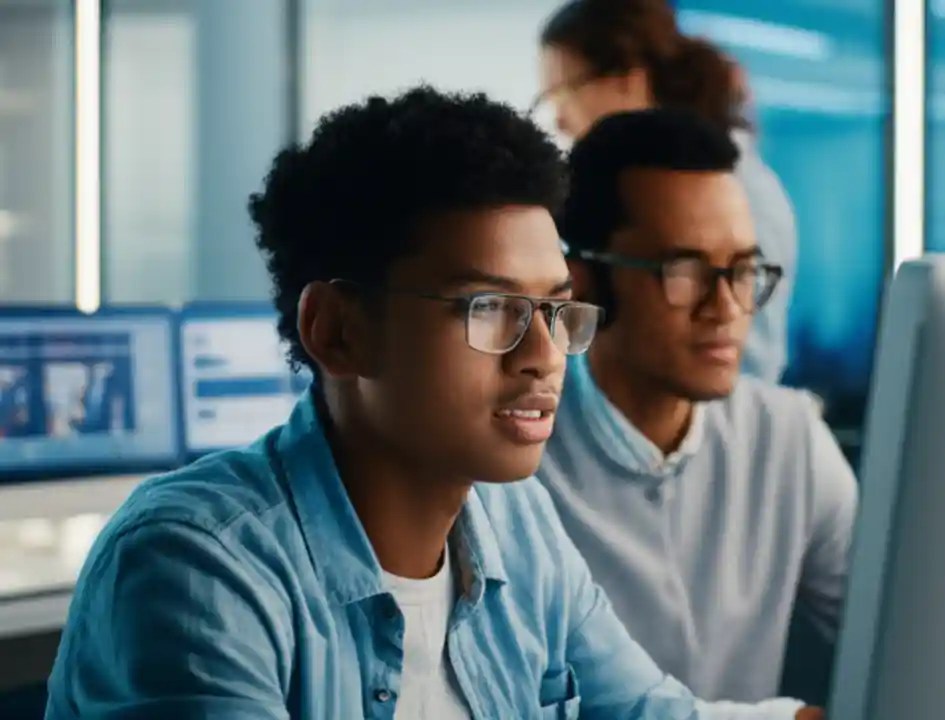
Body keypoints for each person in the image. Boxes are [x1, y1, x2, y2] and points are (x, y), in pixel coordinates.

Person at [44, 88, 820, 719]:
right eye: (490, 309)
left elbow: (651, 715)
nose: (543, 354)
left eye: (555, 310)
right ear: (338, 332)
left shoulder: (514, 523)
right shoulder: (197, 567)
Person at [539, 109, 858, 703]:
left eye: (743, 270)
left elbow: (896, 640)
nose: (726, 306)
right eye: (683, 271)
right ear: (582, 282)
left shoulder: (788, 437)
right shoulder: (518, 456)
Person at [536, 0, 796, 382]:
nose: (559, 120)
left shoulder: (729, 190)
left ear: (627, 79)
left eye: (563, 94)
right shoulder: (620, 188)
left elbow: (742, 364)